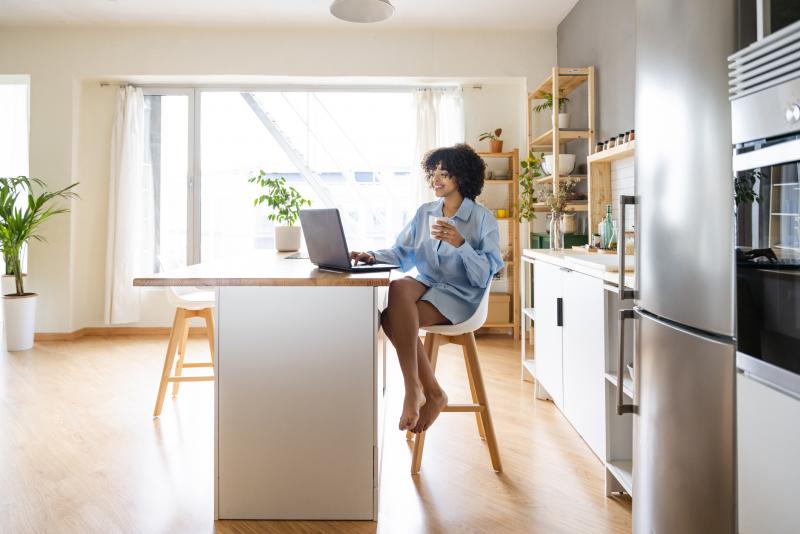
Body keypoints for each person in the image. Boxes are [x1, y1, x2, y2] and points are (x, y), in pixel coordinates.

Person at [350, 144, 503, 434]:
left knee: (390, 318)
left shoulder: (482, 219)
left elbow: (486, 274)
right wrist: (372, 255)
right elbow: (402, 253)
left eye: (444, 174)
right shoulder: (425, 213)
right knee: (398, 288)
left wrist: (461, 244)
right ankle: (420, 390)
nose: (436, 179)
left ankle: (424, 393)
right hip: (428, 282)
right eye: (433, 173)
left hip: (461, 294)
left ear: (462, 177)